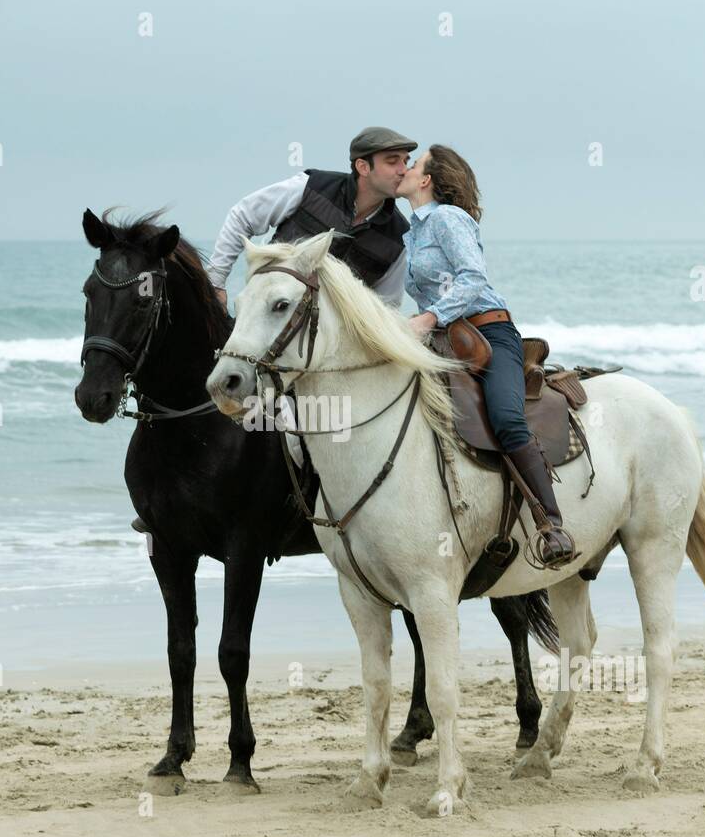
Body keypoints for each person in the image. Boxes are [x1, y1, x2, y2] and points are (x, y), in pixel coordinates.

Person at [396, 144, 576, 568]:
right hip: (444, 338)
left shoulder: (445, 218)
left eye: (413, 163)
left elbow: (473, 277)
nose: (404, 168)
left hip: (489, 333)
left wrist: (426, 319)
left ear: (427, 180)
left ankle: (551, 525)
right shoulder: (414, 229)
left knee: (506, 418)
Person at [205, 127, 418, 309]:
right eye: (392, 162)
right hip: (262, 317)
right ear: (363, 167)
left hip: (328, 352)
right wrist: (216, 283)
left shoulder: (400, 239)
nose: (403, 170)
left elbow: (384, 309)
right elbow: (242, 216)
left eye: (405, 162)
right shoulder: (309, 187)